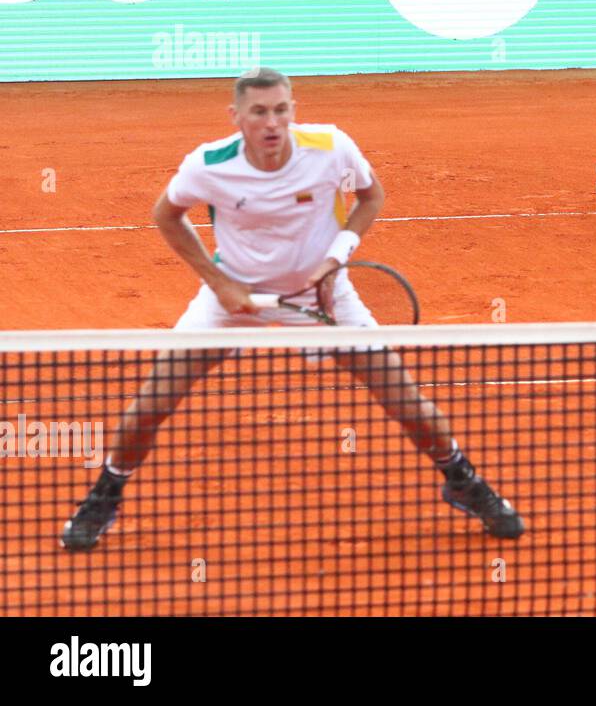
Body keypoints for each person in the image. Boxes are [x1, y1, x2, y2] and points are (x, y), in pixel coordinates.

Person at [61, 68, 523, 549]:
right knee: (151, 404)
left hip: (323, 295)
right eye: (259, 112)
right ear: (236, 117)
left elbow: (370, 196)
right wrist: (219, 284)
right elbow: (166, 214)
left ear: (292, 111)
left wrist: (334, 259)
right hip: (233, 296)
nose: (272, 123)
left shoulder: (330, 147)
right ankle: (106, 494)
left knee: (409, 406)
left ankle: (463, 481)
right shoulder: (208, 165)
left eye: (282, 109)